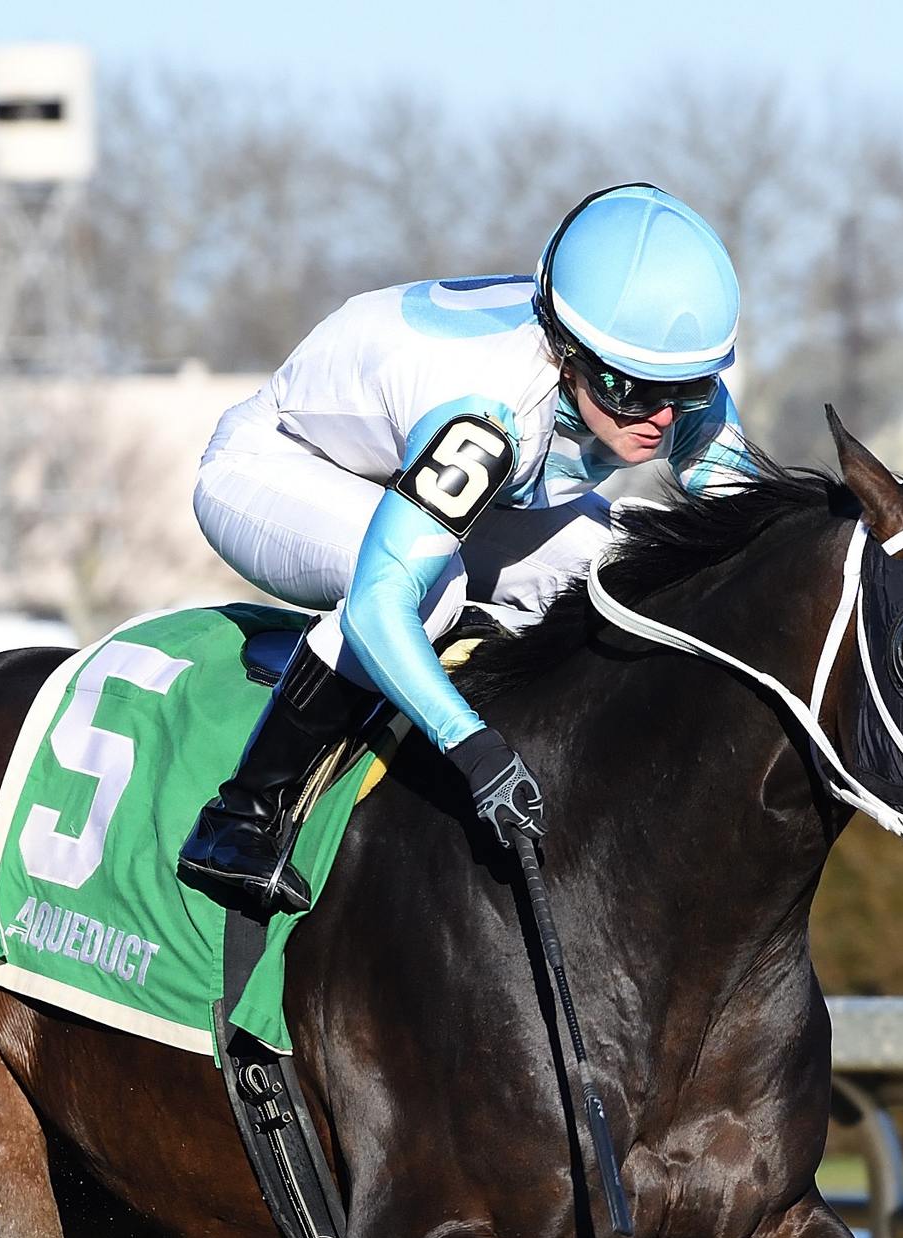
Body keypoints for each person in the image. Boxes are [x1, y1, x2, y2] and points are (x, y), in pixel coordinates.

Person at [177, 183, 753, 917]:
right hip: (279, 465)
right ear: (566, 353)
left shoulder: (663, 382)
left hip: (432, 481)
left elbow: (748, 534)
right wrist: (473, 748)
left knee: (620, 569)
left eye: (688, 389)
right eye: (630, 391)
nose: (664, 417)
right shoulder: (487, 413)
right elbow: (382, 604)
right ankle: (241, 815)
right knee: (435, 588)